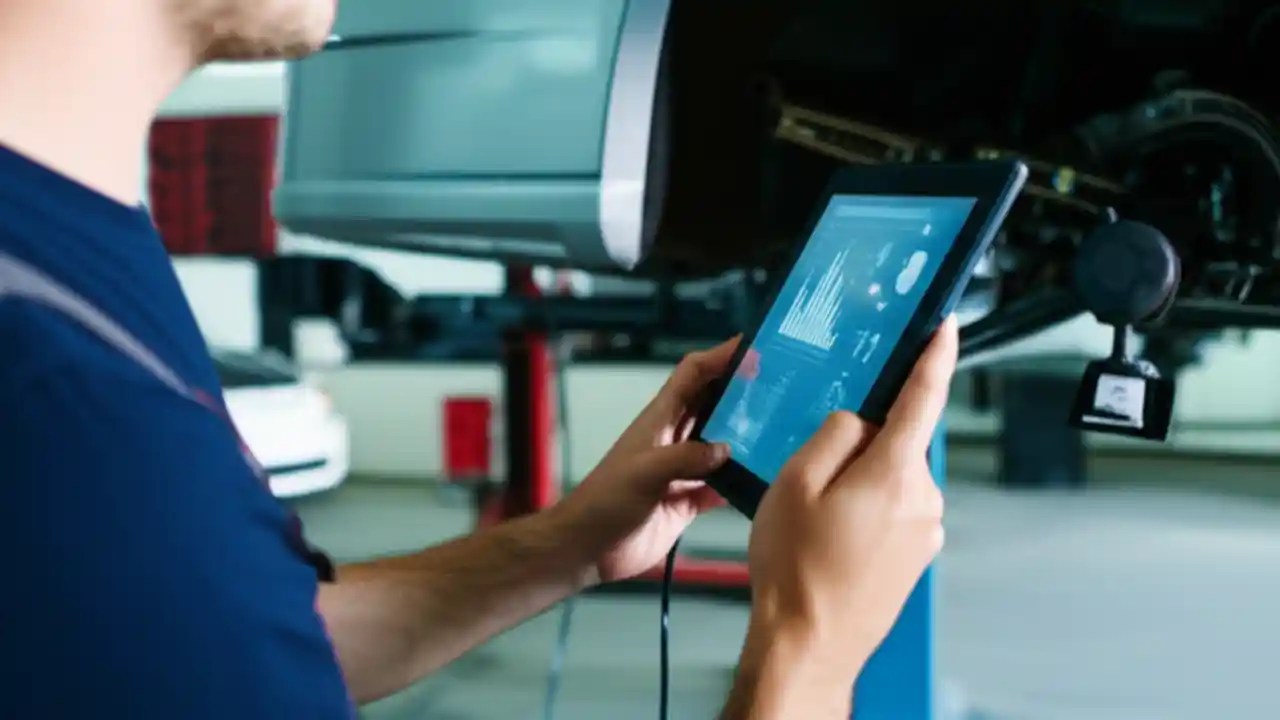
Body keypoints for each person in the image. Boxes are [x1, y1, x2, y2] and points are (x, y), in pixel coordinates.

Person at [0, 1, 952, 717]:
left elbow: (229, 642)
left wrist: (570, 543)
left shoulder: (59, 238)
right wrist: (809, 650)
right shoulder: (59, 397)